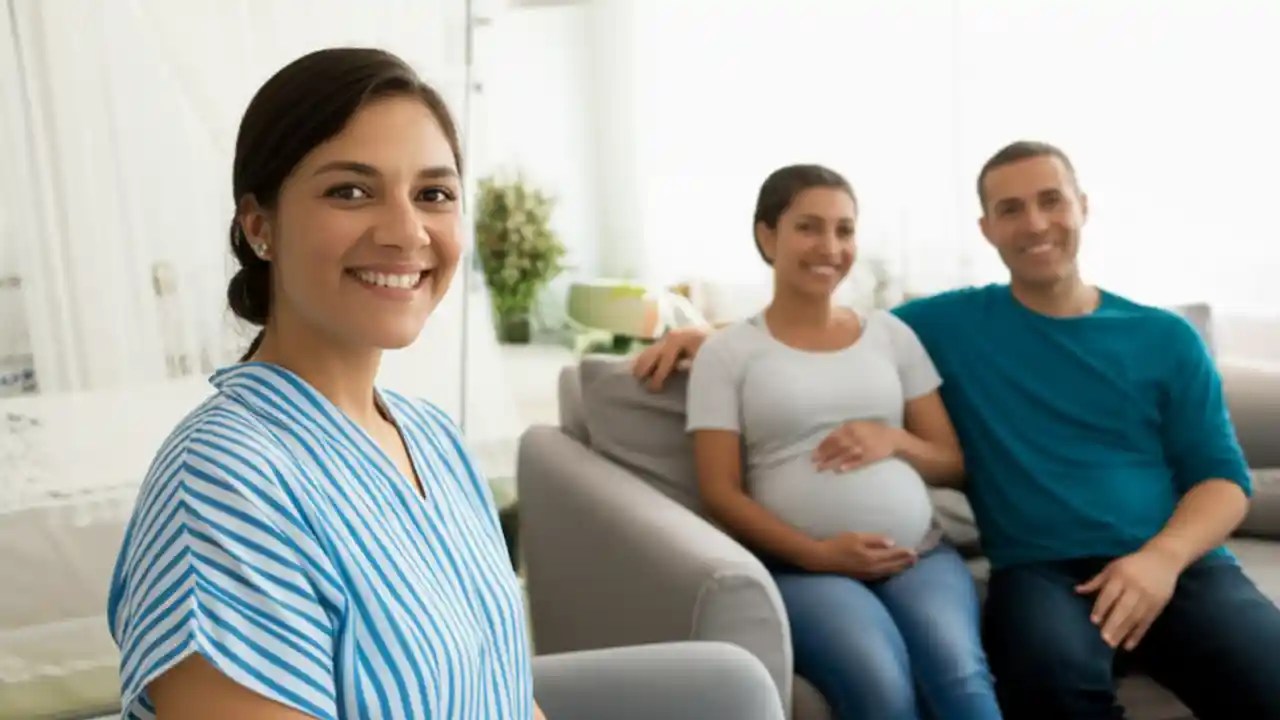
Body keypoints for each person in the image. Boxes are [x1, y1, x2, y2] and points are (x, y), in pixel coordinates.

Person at [635, 142, 1280, 719]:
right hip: (1043, 572)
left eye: (1051, 201)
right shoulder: (949, 324)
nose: (1034, 224)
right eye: (1011, 209)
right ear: (987, 228)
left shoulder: (1163, 338)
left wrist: (1159, 562)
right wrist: (706, 333)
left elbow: (1224, 481)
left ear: (1082, 207)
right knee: (1047, 688)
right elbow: (820, 327)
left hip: (1180, 563)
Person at [105, 48, 546, 720]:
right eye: (350, 191)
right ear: (260, 227)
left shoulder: (434, 439)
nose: (406, 232)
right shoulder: (225, 481)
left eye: (433, 194)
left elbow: (504, 700)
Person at [686, 164, 1002, 720]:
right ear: (767, 236)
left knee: (964, 688)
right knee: (880, 691)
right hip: (805, 568)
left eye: (844, 229)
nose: (829, 246)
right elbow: (720, 491)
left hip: (920, 557)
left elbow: (952, 462)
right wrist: (819, 554)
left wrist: (894, 439)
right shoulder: (728, 353)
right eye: (809, 227)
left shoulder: (890, 335)